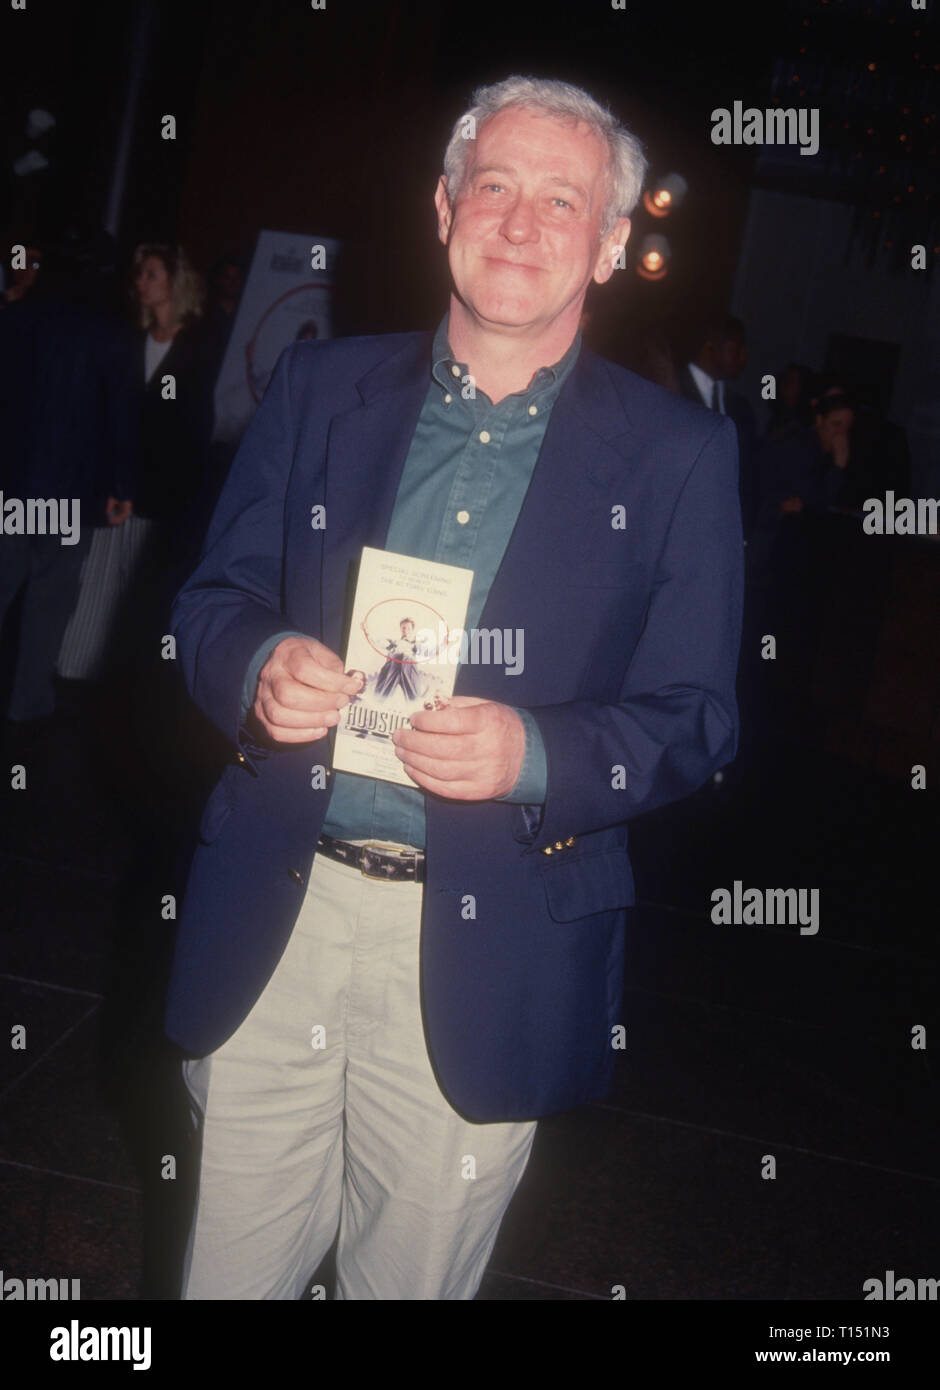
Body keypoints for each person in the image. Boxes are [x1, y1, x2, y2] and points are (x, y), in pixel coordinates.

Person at [165, 75, 743, 1301]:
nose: (521, 222)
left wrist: (536, 755)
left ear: (606, 241)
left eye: (560, 199)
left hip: (491, 947)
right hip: (281, 911)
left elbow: (697, 717)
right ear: (443, 208)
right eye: (495, 186)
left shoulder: (679, 455)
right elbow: (208, 604)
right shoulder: (323, 390)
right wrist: (256, 666)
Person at [678, 315, 758, 539]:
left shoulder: (742, 409)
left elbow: (748, 476)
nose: (745, 357)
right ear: (711, 346)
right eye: (738, 348)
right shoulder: (671, 390)